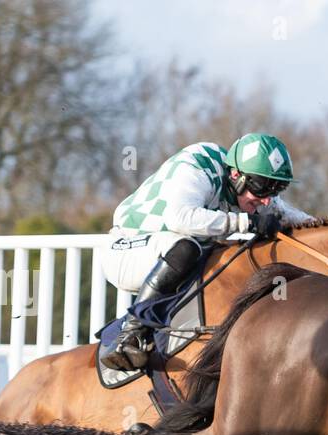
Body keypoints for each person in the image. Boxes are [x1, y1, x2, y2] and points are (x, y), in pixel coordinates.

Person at [99, 134, 314, 370]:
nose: (267, 200)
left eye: (277, 188)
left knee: (223, 253)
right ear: (236, 176)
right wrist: (247, 223)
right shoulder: (200, 165)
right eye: (264, 187)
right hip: (126, 251)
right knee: (187, 247)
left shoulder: (248, 187)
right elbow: (179, 217)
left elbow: (296, 219)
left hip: (168, 257)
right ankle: (131, 334)